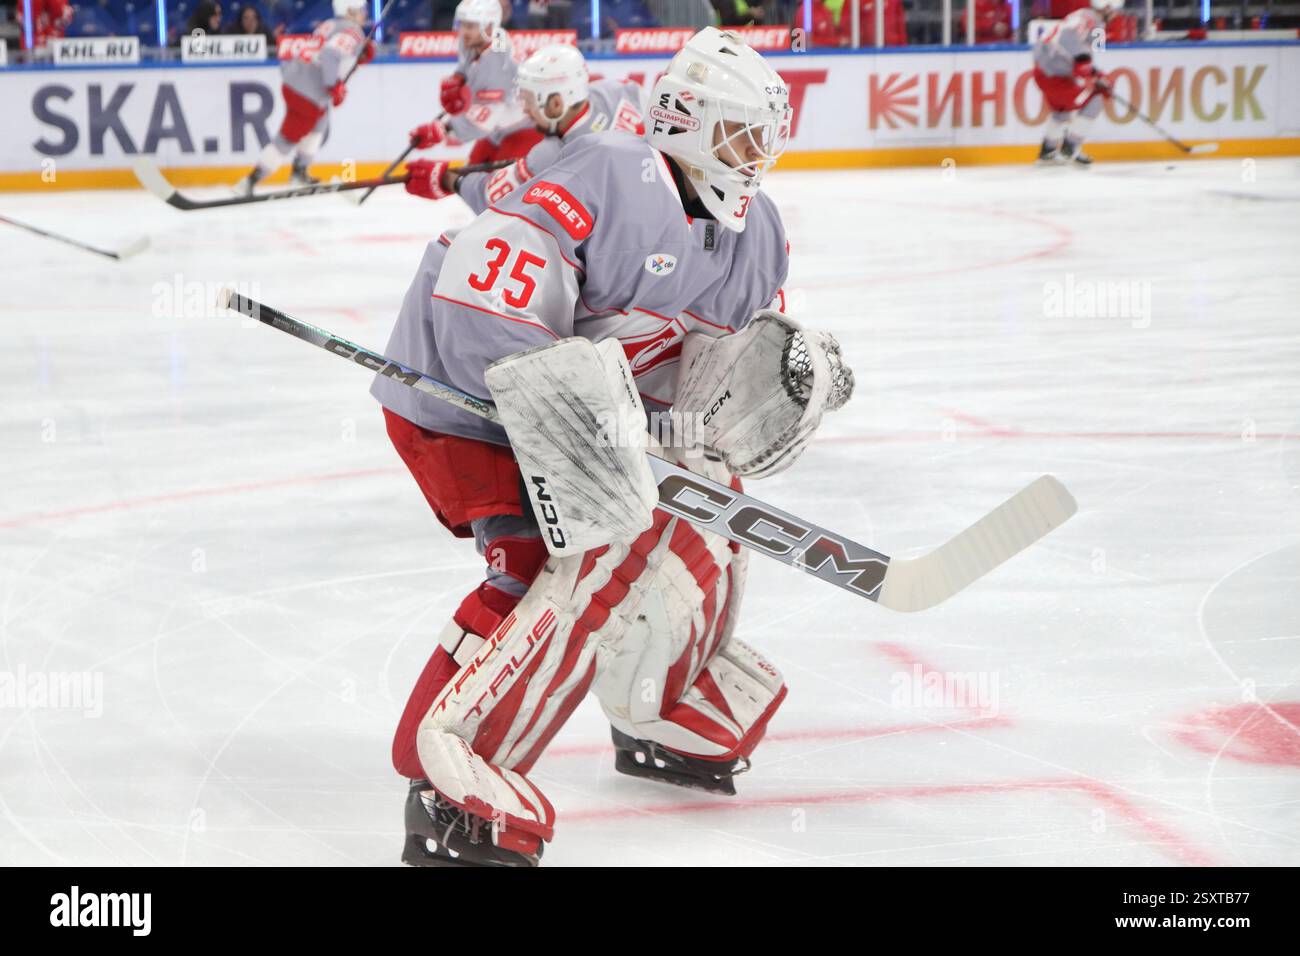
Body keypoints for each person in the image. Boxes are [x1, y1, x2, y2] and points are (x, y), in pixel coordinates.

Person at [369, 27, 854, 867]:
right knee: (542, 563)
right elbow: (481, 287)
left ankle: (660, 699)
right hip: (460, 402)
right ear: (687, 123)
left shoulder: (759, 232)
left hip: (590, 410)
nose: (758, 156)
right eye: (743, 134)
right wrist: (587, 421)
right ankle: (449, 761)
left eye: (766, 138)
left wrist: (762, 386)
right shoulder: (606, 176)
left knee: (702, 519)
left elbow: (705, 375)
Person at [405, 44, 645, 212]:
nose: (527, 111)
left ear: (556, 103)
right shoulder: (618, 90)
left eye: (530, 101)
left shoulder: (554, 155)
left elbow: (491, 197)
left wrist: (446, 179)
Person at [233, 0, 374, 193]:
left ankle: (300, 172)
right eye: (362, 10)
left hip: (296, 82)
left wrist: (359, 55)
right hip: (308, 94)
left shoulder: (330, 24)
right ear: (351, 11)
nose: (365, 14)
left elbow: (330, 54)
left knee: (320, 122)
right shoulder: (352, 31)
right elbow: (330, 55)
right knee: (288, 138)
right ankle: (249, 181)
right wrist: (333, 86)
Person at [407, 0, 541, 166]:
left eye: (470, 26)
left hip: (524, 130)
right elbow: (467, 65)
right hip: (499, 129)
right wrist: (459, 78)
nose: (463, 32)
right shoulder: (485, 39)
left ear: (490, 27)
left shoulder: (500, 61)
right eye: (462, 25)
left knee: (496, 186)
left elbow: (488, 114)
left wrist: (444, 129)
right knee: (473, 171)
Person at [1031, 0, 1120, 166]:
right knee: (1096, 98)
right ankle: (1070, 149)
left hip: (1047, 71)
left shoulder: (1085, 16)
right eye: (1114, 9)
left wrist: (1096, 74)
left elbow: (1089, 57)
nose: (1116, 14)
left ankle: (1048, 151)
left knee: (1061, 110)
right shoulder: (1092, 20)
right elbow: (1068, 39)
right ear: (1106, 7)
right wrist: (1088, 69)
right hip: (1053, 73)